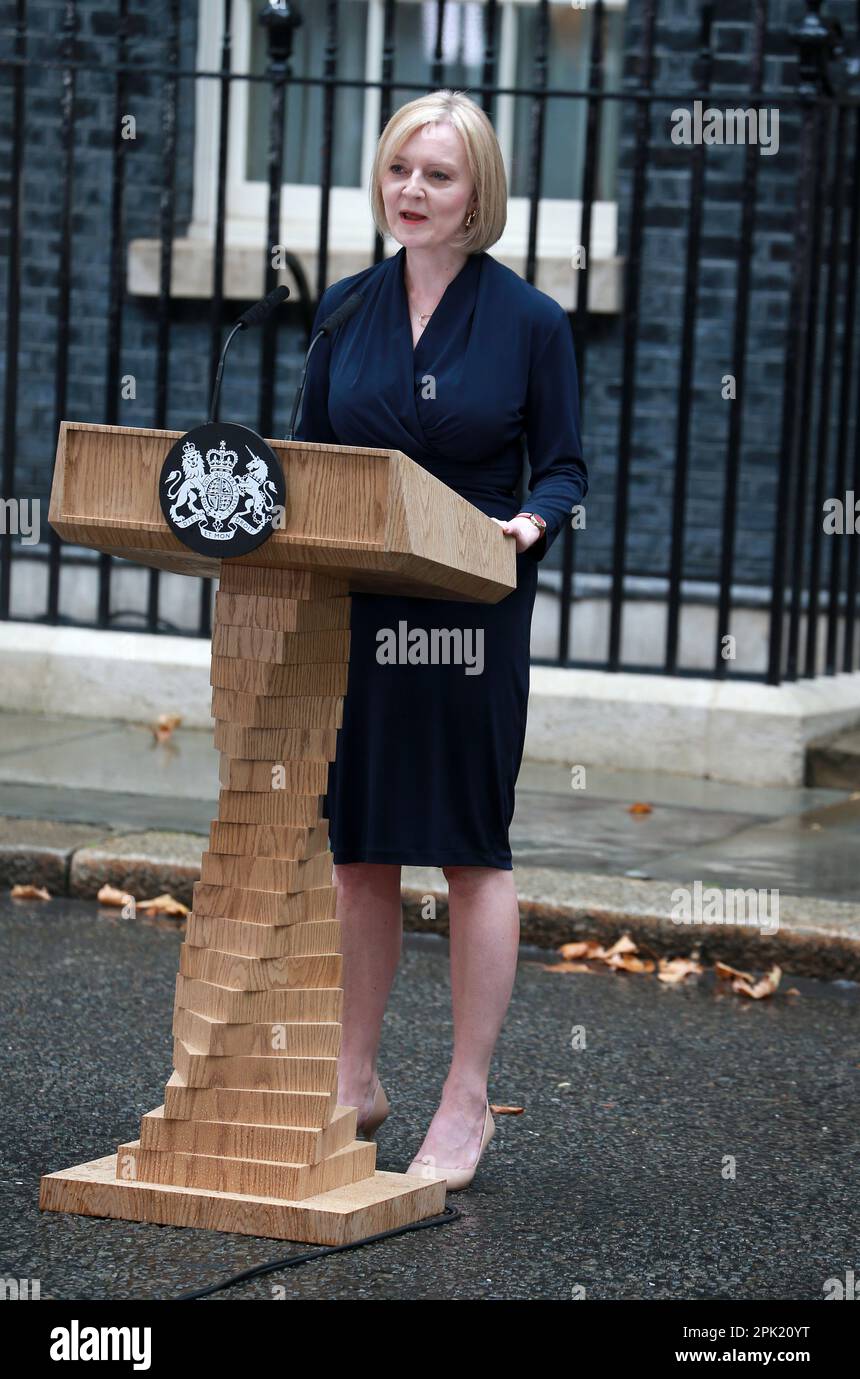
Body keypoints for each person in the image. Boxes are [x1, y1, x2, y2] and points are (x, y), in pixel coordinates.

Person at [292, 88, 588, 1191]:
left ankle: (466, 1101)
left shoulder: (529, 324)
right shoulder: (341, 310)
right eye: (400, 169)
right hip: (363, 606)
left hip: (469, 607)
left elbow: (562, 465)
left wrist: (531, 520)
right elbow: (309, 457)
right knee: (359, 848)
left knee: (469, 849)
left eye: (438, 175)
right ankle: (351, 1079)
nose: (411, 190)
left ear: (477, 196)